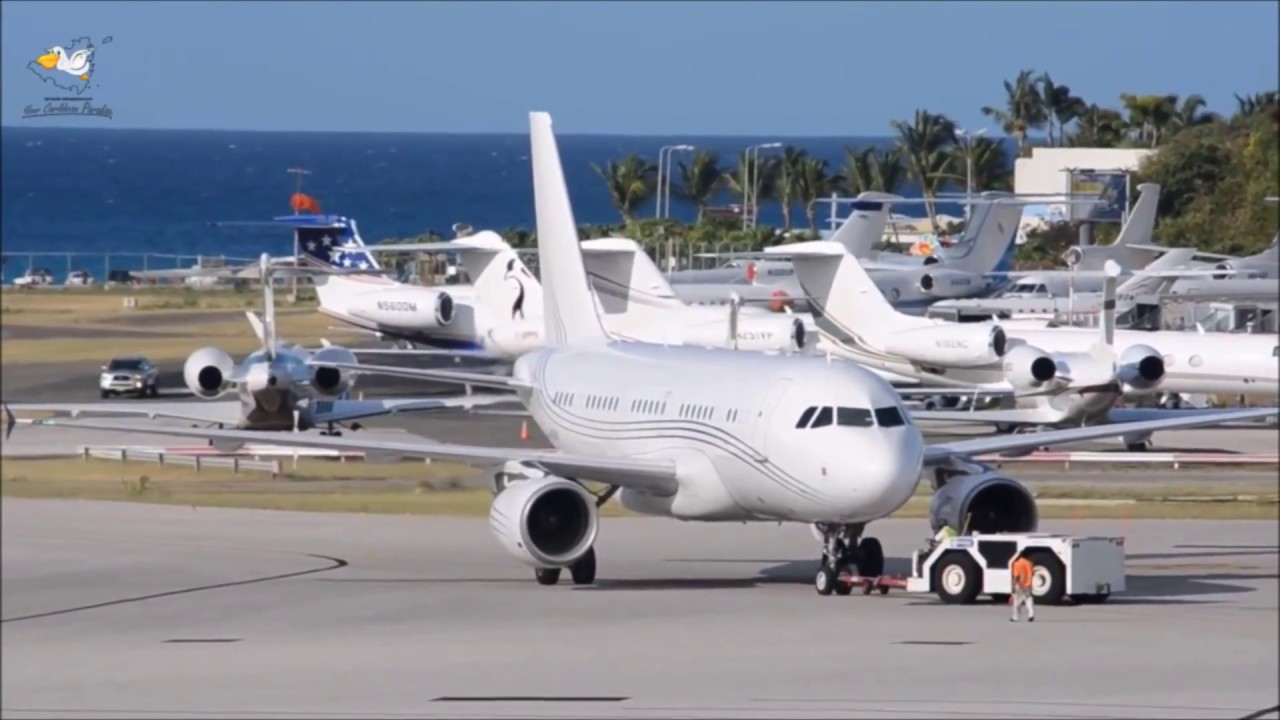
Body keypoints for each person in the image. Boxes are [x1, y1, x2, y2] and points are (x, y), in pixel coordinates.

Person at [1010, 553, 1035, 622]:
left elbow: (1016, 576)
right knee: (1028, 599)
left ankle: (1015, 617)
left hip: (1020, 585)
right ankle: (1031, 614)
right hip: (1028, 583)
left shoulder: (1017, 564)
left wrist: (1013, 586)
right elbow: (1032, 573)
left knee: (1016, 602)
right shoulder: (1029, 563)